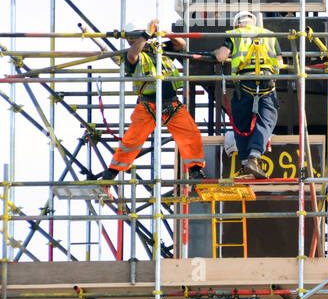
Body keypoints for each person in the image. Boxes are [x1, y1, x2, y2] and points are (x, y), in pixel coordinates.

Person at [91, 19, 206, 182]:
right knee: (132, 140)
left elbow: (181, 44)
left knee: (190, 134)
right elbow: (132, 56)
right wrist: (145, 34)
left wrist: (163, 31)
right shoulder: (131, 54)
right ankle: (112, 172)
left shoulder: (159, 49)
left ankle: (195, 170)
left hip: (171, 103)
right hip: (148, 105)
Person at [214, 11, 282, 179]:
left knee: (241, 122)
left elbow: (221, 56)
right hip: (267, 84)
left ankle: (247, 161)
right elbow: (280, 63)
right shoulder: (269, 36)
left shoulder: (235, 34)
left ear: (238, 24)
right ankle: (253, 157)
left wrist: (216, 52)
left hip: (245, 84)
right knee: (266, 120)